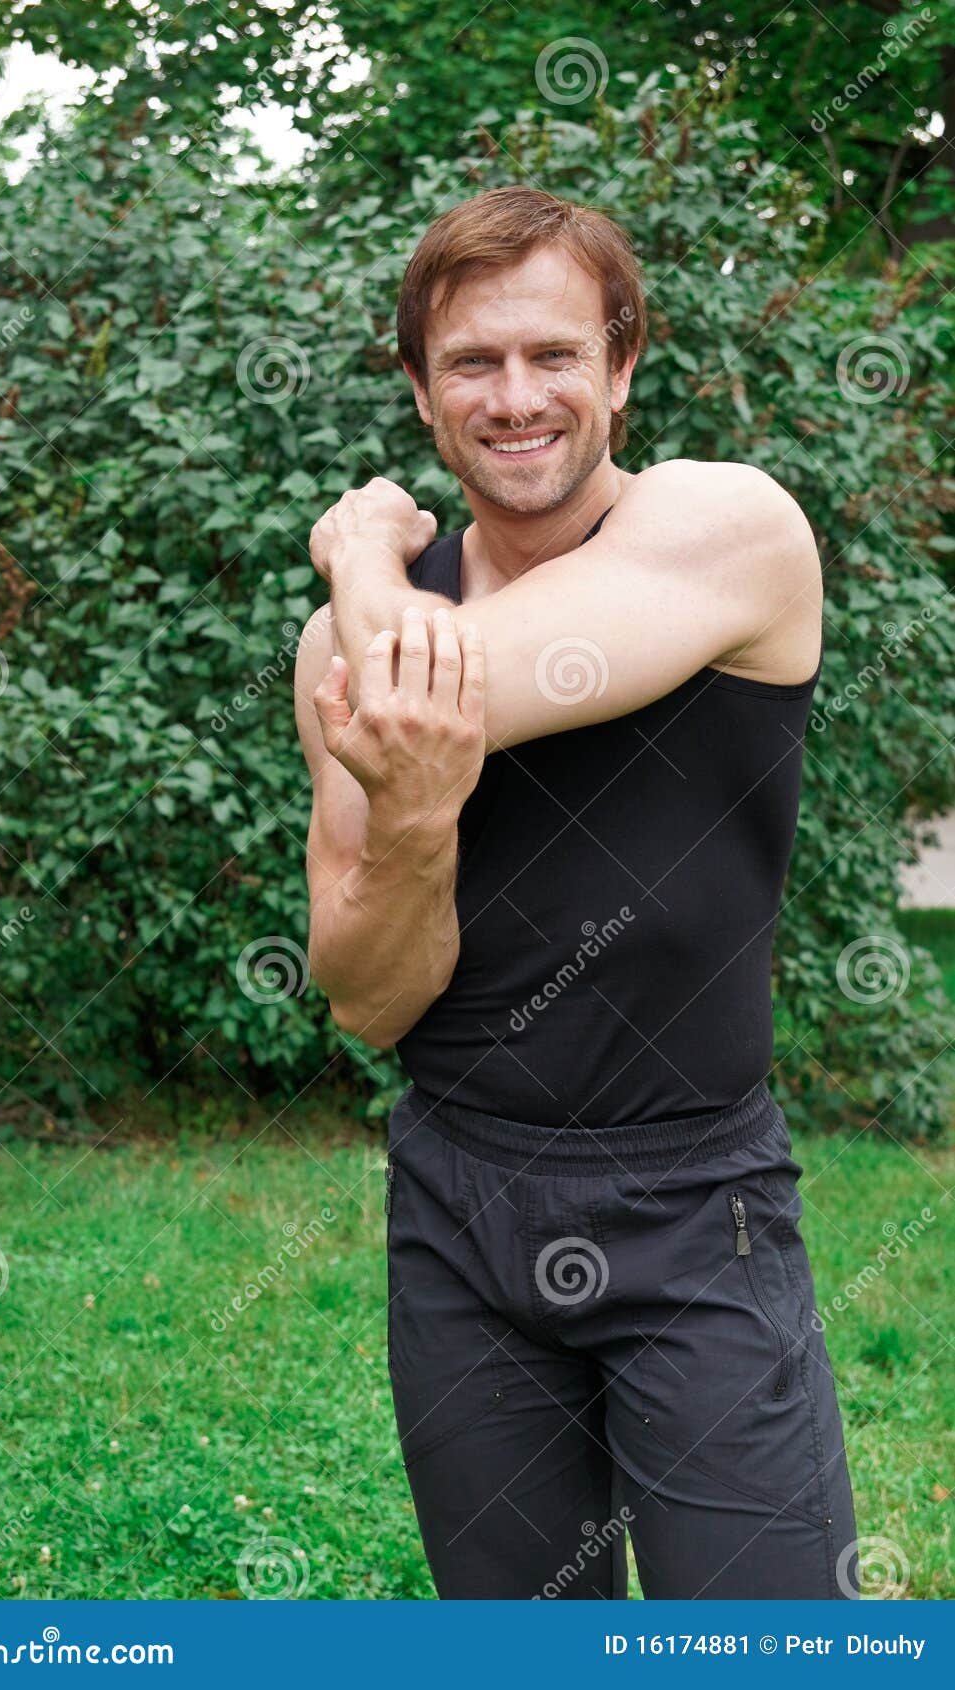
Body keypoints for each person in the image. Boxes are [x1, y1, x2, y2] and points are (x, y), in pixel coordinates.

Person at [294, 185, 858, 1600]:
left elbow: (457, 684)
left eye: (554, 354)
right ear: (421, 396)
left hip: (692, 1202)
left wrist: (359, 554)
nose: (516, 396)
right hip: (457, 1200)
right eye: (471, 363)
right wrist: (417, 827)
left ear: (620, 367)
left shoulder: (726, 525)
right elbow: (365, 998)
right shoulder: (342, 645)